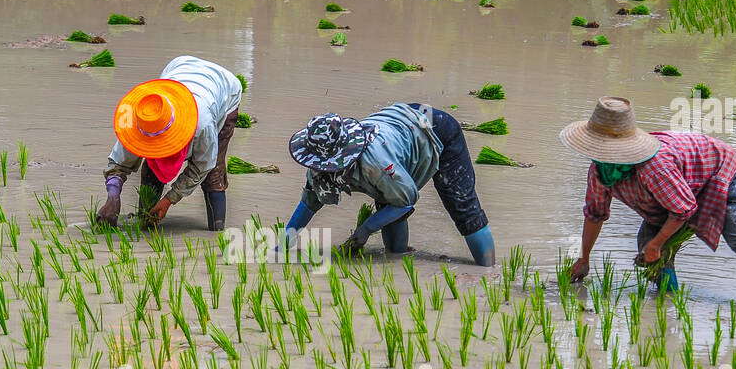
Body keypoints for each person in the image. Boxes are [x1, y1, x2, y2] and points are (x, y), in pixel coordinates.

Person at [562, 96, 736, 314]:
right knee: (649, 247)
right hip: (682, 181)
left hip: (718, 170)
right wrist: (584, 259)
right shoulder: (599, 171)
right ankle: (668, 303)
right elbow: (594, 214)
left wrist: (658, 243)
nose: (601, 154)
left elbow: (683, 209)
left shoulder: (654, 167)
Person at [281, 103, 496, 266]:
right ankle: (398, 258)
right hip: (401, 124)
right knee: (387, 201)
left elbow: (406, 200)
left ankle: (488, 270)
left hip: (433, 126)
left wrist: (365, 230)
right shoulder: (319, 163)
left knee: (463, 208)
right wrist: (281, 246)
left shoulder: (375, 163)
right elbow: (310, 201)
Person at [97, 55, 243, 231]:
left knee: (213, 173)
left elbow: (202, 166)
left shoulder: (202, 125)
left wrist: (169, 200)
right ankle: (147, 220)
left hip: (225, 89)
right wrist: (113, 198)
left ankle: (217, 231)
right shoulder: (139, 120)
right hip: (180, 66)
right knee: (153, 168)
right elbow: (119, 163)